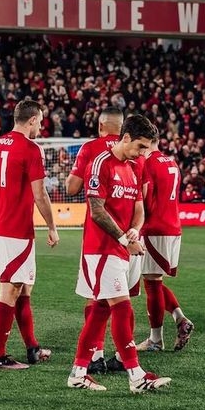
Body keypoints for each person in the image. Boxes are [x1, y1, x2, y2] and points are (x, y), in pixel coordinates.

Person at [67, 115, 170, 393]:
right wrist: (125, 238)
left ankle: (78, 373)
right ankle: (136, 376)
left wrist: (135, 230)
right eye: (139, 146)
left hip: (121, 247)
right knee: (122, 308)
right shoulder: (100, 163)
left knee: (100, 311)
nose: (142, 153)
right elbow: (97, 210)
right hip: (101, 249)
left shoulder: (134, 167)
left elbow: (139, 208)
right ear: (125, 137)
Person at [0, 99, 60, 371]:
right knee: (10, 290)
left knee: (23, 287)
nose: (41, 126)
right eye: (41, 120)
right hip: (15, 230)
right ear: (33, 119)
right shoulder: (30, 148)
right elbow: (40, 194)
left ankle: (32, 349)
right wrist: (51, 226)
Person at [65, 106, 141, 374]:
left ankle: (95, 356)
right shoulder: (135, 157)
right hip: (129, 236)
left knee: (97, 298)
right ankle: (124, 361)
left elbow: (72, 188)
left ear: (100, 126)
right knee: (119, 302)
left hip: (103, 238)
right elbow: (140, 200)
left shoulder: (91, 149)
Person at [136, 140, 194, 353]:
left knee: (151, 283)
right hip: (173, 226)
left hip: (155, 228)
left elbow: (146, 200)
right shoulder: (171, 162)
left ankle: (155, 339)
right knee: (155, 281)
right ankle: (180, 319)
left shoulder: (148, 163)